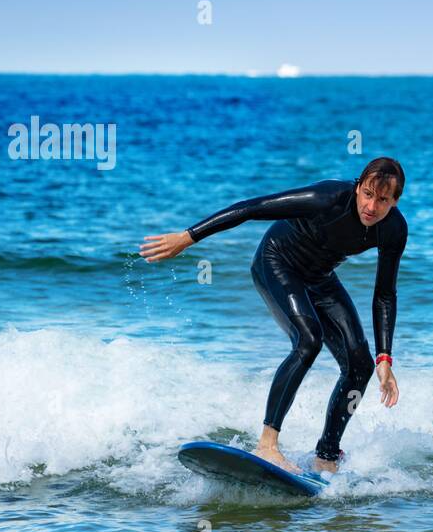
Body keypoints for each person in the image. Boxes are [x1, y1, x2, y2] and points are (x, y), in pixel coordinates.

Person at [140, 157, 407, 475]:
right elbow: (253, 207)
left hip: (320, 277)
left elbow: (384, 294)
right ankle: (267, 445)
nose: (371, 206)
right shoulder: (326, 198)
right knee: (309, 341)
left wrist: (385, 358)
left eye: (382, 200)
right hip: (276, 262)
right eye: (367, 194)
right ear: (357, 187)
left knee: (360, 365)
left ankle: (327, 455)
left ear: (394, 202)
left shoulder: (393, 230)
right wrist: (188, 237)